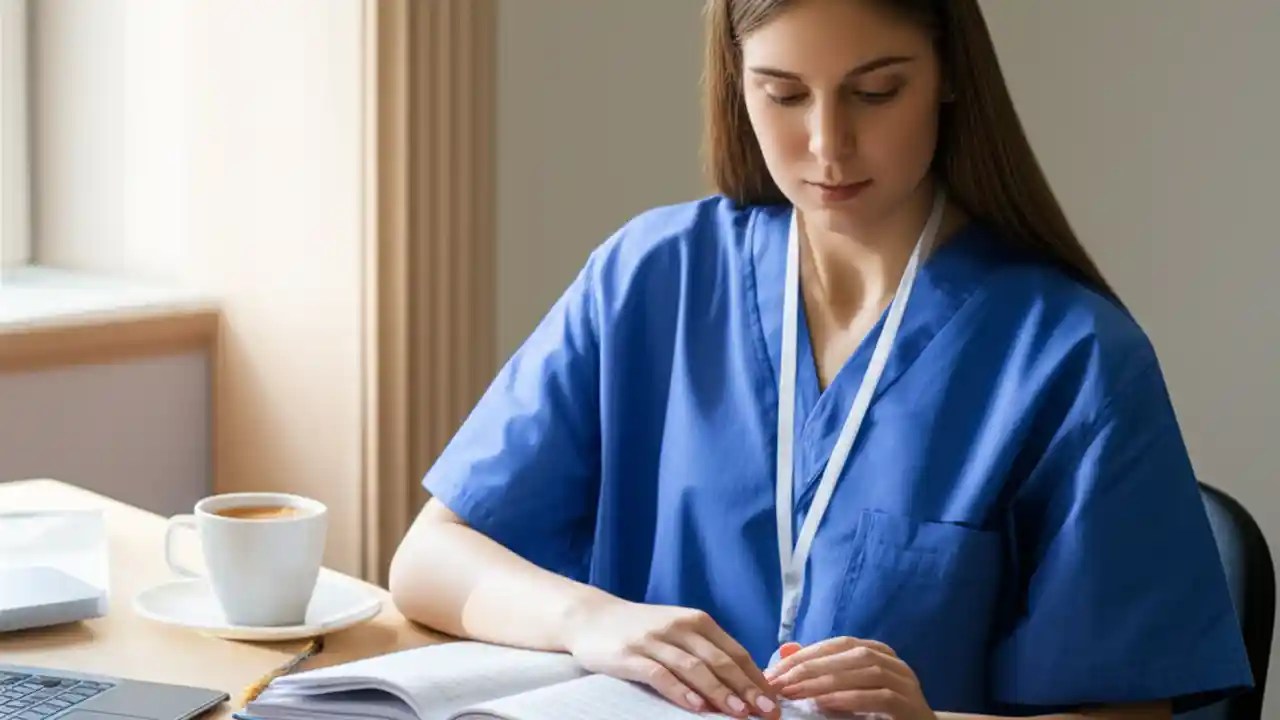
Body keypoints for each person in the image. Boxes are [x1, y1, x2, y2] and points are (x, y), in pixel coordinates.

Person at [389, 1, 1254, 718]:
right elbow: (429, 561)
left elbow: (1129, 713)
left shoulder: (1074, 358)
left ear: (951, 76)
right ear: (737, 85)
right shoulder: (652, 277)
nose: (828, 145)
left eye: (875, 93)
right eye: (784, 93)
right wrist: (591, 620)